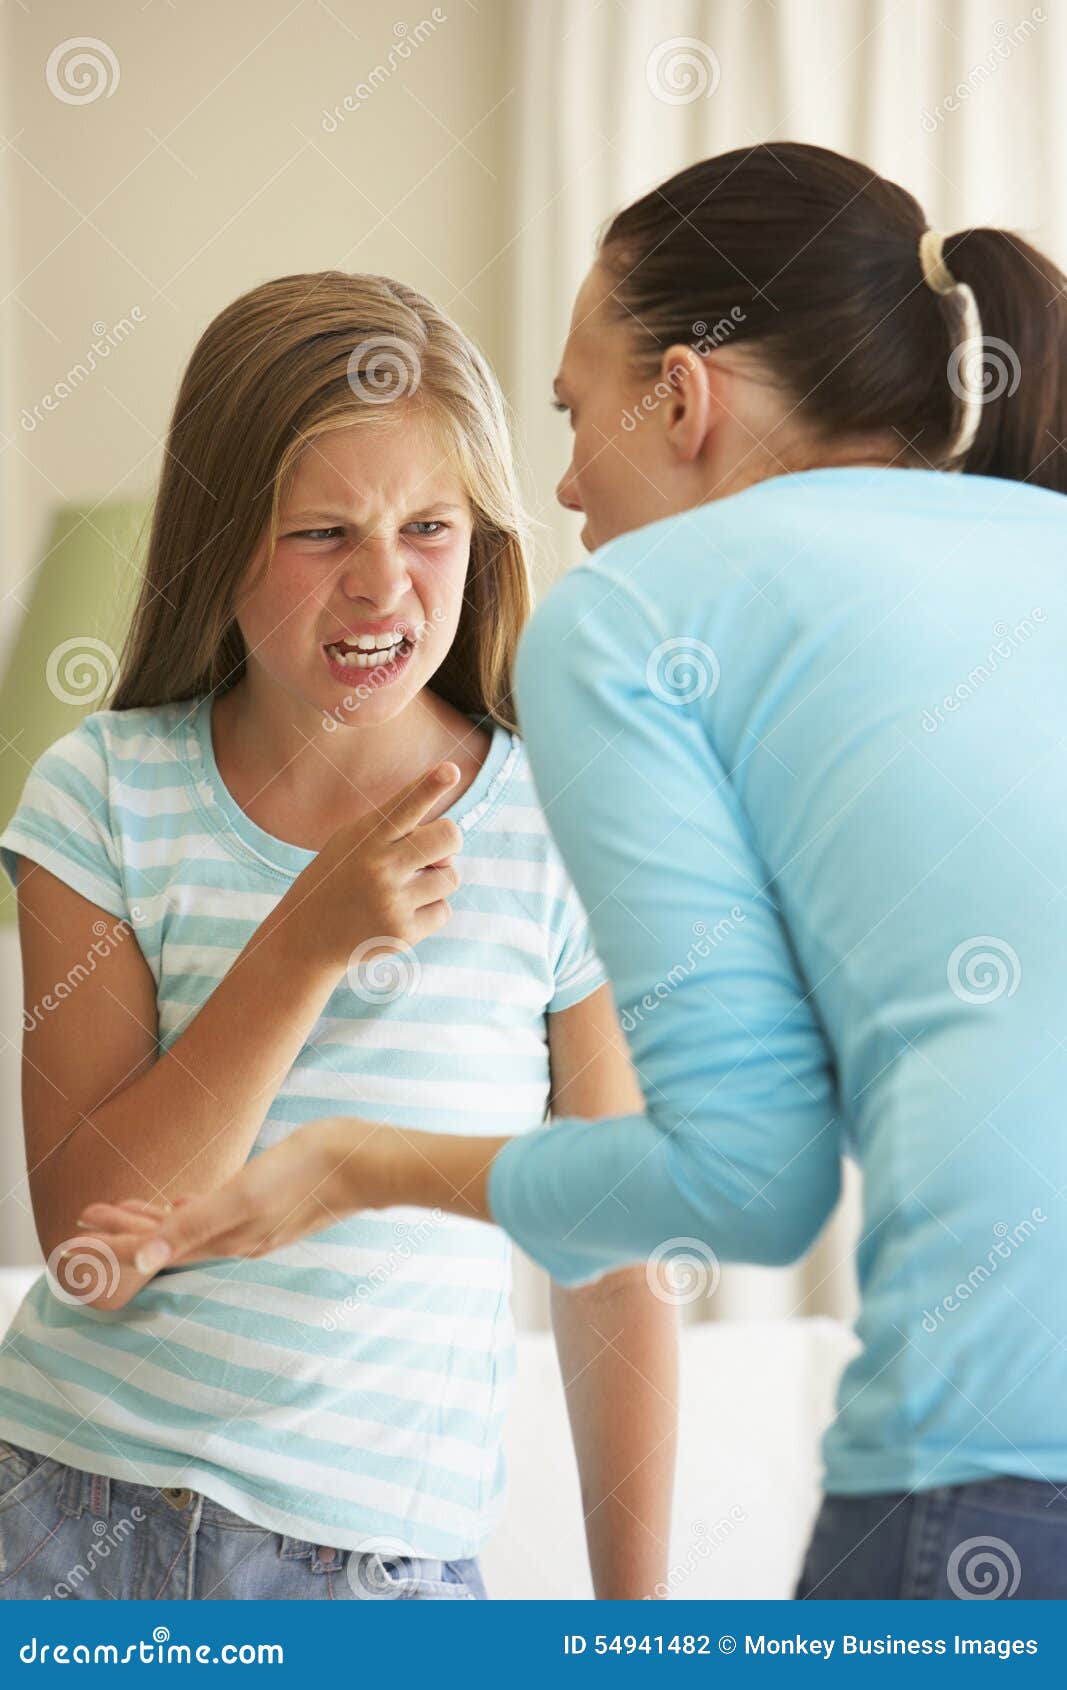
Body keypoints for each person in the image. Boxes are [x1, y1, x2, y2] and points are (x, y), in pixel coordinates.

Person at [82, 142, 1067, 1599]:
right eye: (319, 533)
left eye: (573, 407)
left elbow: (741, 1178)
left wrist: (353, 1165)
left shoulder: (633, 645)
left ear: (683, 397)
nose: (559, 480)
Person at [0, 272, 677, 1600]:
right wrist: (302, 944)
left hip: (374, 1571)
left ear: (482, 536)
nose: (383, 585)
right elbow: (95, 1238)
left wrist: (638, 1628)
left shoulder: (568, 828)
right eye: (322, 532)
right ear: (220, 537)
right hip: (62, 1519)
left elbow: (612, 1264)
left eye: (429, 525)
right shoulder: (101, 793)